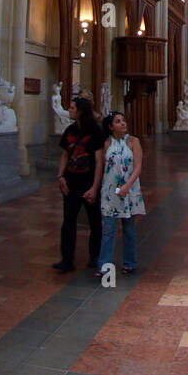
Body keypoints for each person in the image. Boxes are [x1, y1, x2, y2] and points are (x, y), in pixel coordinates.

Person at [89, 110, 145, 277]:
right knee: (109, 230)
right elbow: (100, 168)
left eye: (123, 120)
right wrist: (94, 188)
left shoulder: (134, 142)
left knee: (129, 229)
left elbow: (138, 167)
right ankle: (104, 266)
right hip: (110, 192)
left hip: (129, 190)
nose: (123, 124)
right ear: (110, 126)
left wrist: (127, 186)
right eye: (118, 121)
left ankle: (129, 262)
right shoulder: (105, 144)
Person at [53, 96, 106, 273]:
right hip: (71, 183)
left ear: (81, 111)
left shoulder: (95, 132)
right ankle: (67, 259)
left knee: (94, 221)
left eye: (72, 107)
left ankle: (95, 256)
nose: (69, 109)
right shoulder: (69, 130)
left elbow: (99, 161)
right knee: (68, 221)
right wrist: (61, 176)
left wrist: (94, 187)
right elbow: (64, 155)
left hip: (89, 182)